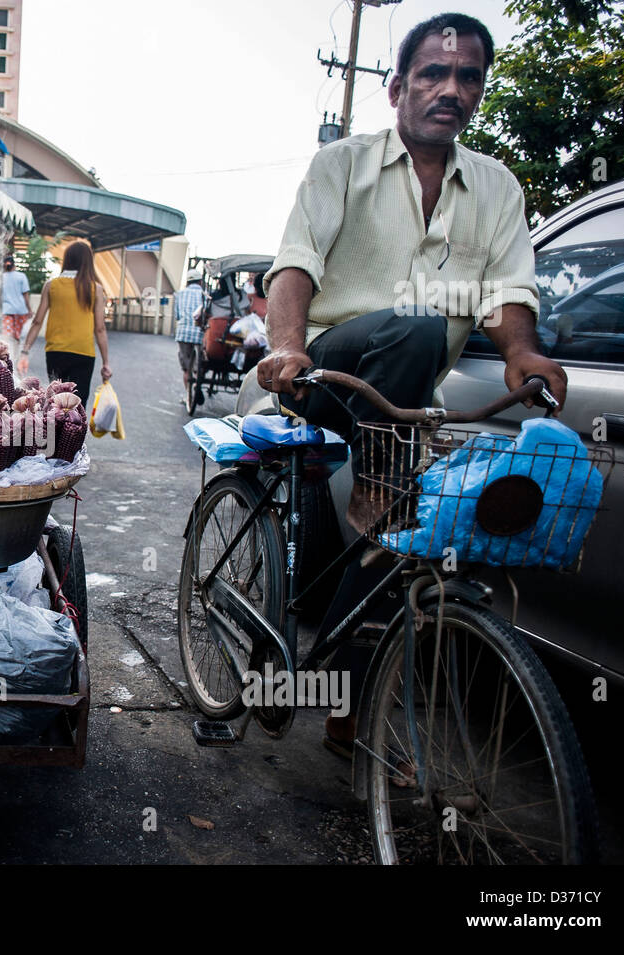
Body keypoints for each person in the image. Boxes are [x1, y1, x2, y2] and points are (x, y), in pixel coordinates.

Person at [255, 12, 566, 757]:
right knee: (421, 331)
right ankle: (380, 509)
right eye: (432, 73)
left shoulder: (497, 188)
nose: (449, 89)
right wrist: (288, 348)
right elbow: (294, 264)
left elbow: (507, 297)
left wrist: (523, 353)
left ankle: (346, 703)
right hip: (331, 374)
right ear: (395, 87)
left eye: (466, 78)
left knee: (413, 538)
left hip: (406, 401)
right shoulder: (343, 165)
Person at [17, 240, 112, 408]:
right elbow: (100, 328)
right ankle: (74, 434)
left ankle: (56, 433)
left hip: (56, 353)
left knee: (56, 402)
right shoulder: (95, 288)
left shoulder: (51, 285)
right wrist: (106, 363)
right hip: (84, 353)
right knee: (78, 405)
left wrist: (25, 351)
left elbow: (37, 321)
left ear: (67, 260)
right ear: (87, 262)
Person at [173, 268, 207, 398]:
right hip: (199, 333)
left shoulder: (179, 294)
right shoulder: (204, 295)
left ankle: (188, 395)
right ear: (200, 282)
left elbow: (177, 316)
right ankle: (197, 381)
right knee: (200, 362)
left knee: (186, 367)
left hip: (183, 332)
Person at [0, 253, 33, 351]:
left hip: (7, 310)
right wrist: (29, 310)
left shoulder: (2, 277)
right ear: (14, 265)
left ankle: (7, 355)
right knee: (17, 336)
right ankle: (16, 355)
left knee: (7, 335)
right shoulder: (21, 276)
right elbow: (25, 294)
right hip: (21, 311)